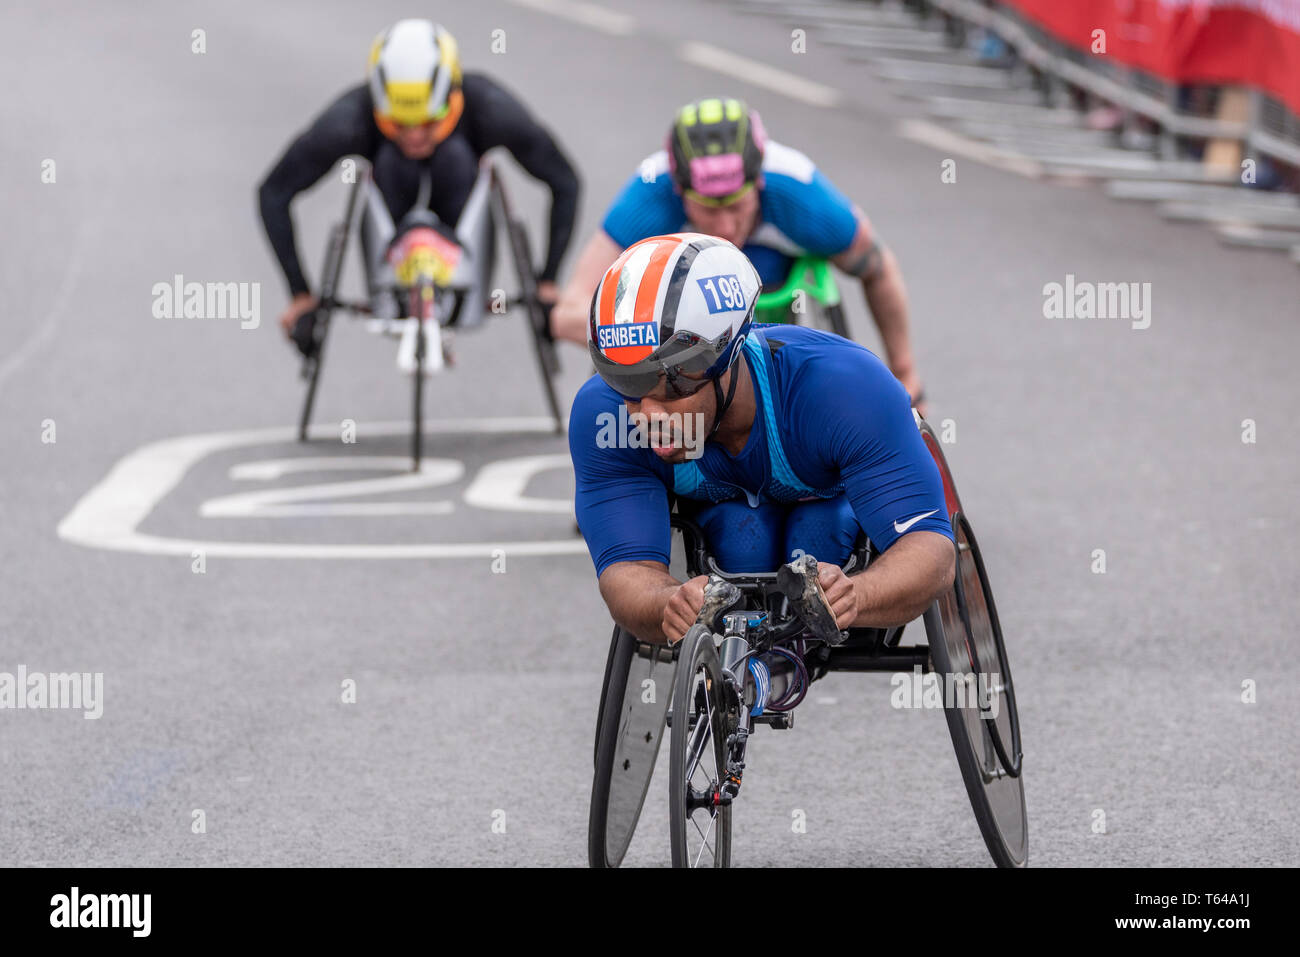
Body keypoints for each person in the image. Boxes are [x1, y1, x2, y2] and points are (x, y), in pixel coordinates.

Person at [568, 233, 954, 645]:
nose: (648, 417)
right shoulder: (603, 415)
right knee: (743, 535)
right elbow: (626, 573)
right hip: (724, 537)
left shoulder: (845, 389)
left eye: (670, 389)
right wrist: (667, 602)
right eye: (627, 385)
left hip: (833, 520)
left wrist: (856, 595)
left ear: (726, 358)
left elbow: (931, 550)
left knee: (816, 532)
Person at [553, 96, 926, 414]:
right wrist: (647, 341)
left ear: (758, 182)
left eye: (737, 206)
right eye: (708, 210)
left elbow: (878, 269)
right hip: (674, 327)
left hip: (775, 282)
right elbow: (569, 313)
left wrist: (905, 374)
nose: (726, 227)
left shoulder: (798, 192)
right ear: (680, 191)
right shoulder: (650, 192)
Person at [258, 18, 579, 353]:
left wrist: (547, 282)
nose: (414, 136)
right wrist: (301, 294)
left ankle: (450, 271)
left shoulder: (490, 109)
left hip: (462, 218)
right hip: (390, 223)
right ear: (378, 103)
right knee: (395, 160)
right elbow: (274, 193)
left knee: (452, 155)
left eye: (429, 122)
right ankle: (401, 279)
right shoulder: (349, 120)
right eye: (398, 124)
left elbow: (564, 181)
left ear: (453, 96)